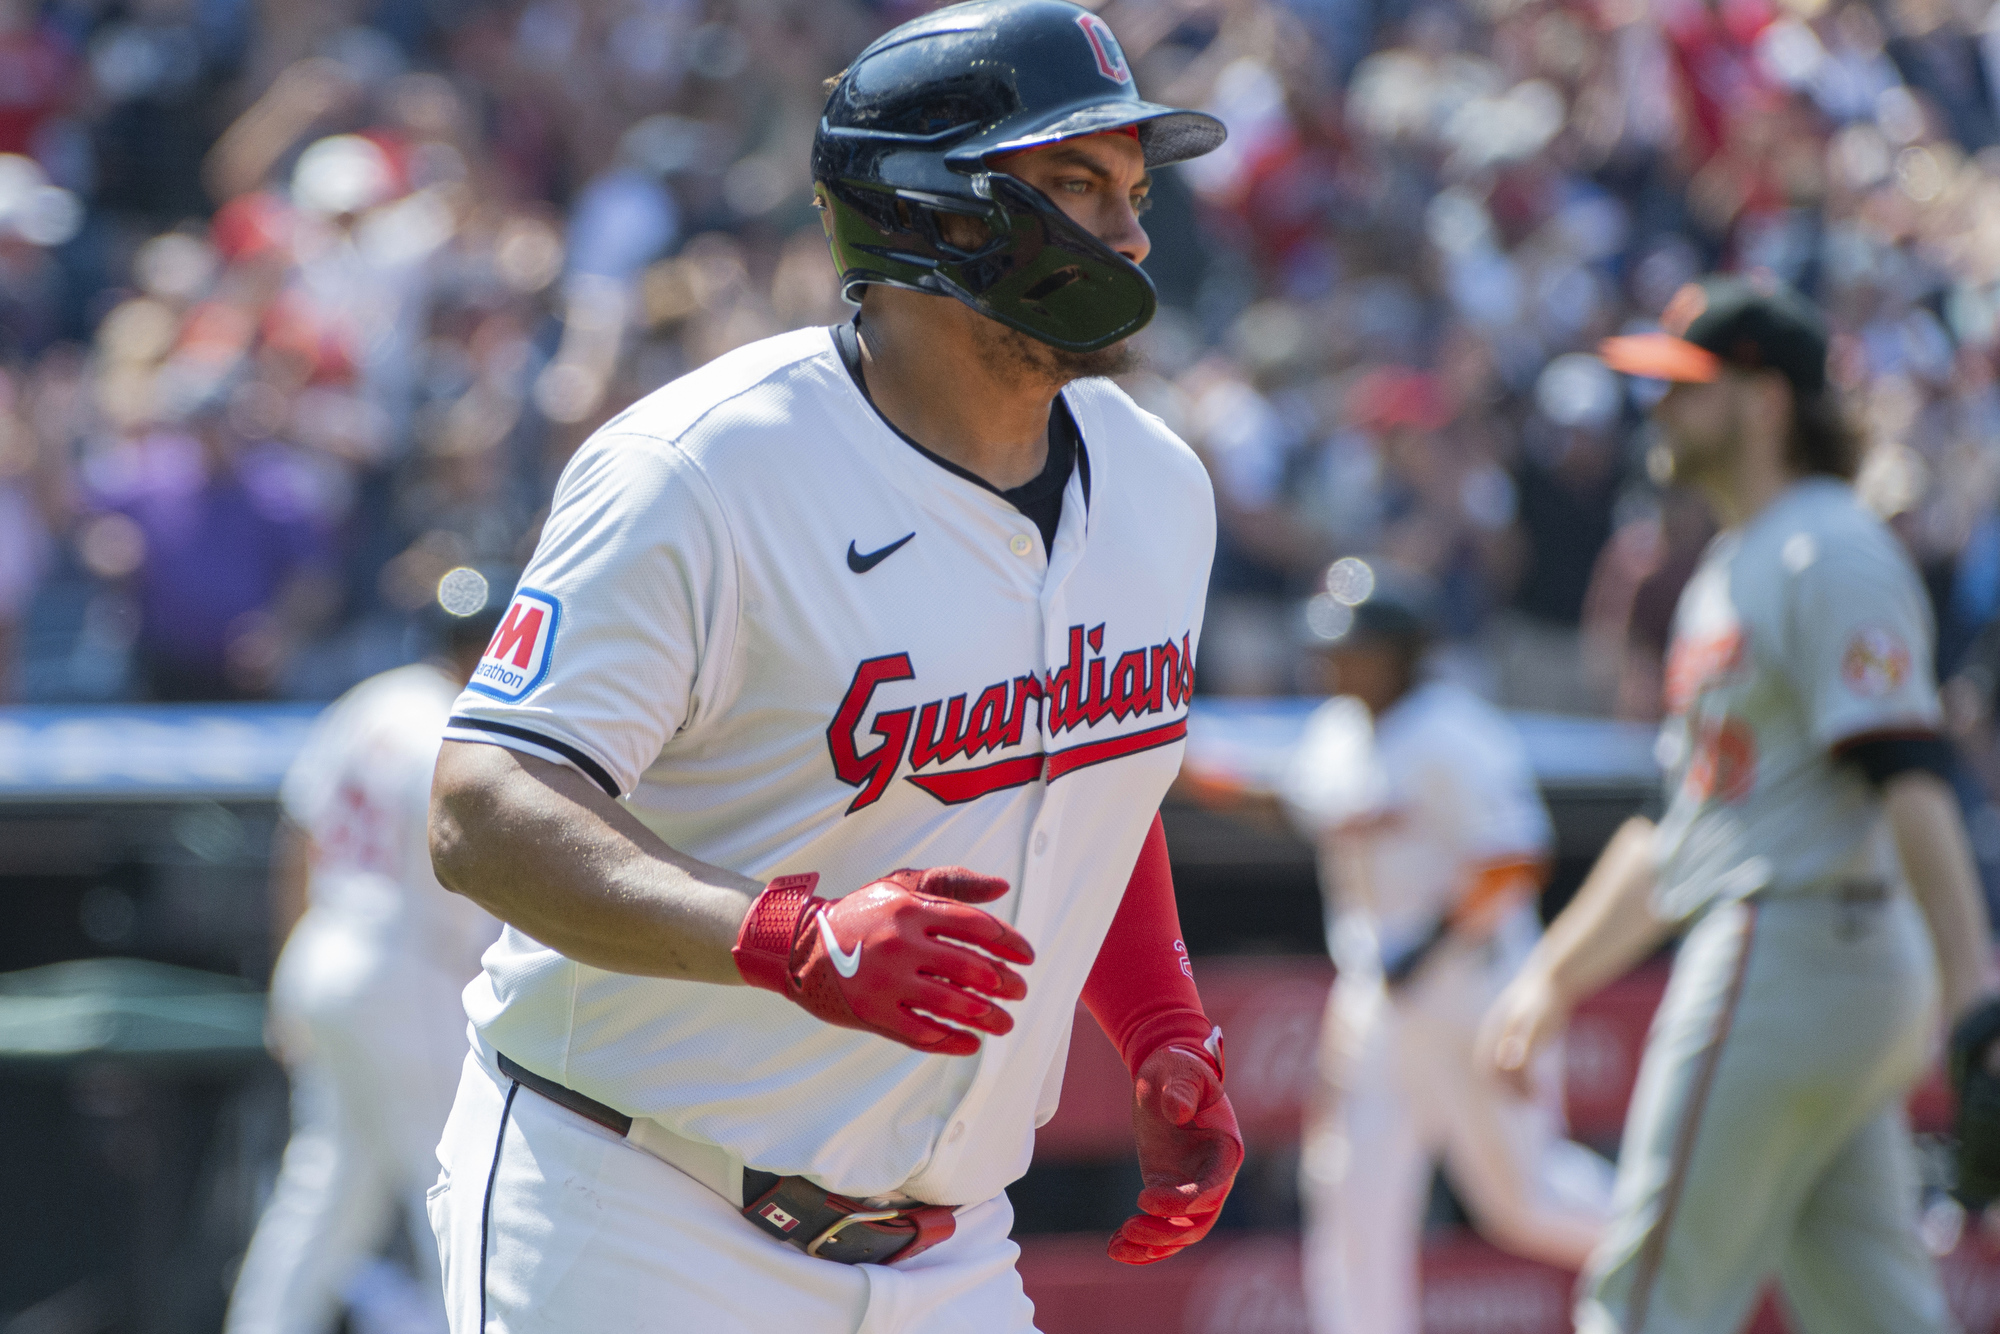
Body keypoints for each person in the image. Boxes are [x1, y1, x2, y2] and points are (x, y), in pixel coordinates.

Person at [422, 4, 1244, 1331]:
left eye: (1135, 191)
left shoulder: (1158, 483)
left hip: (951, 1248)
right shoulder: (704, 469)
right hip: (634, 1200)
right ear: (933, 211)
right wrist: (784, 937)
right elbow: (482, 809)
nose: (1134, 234)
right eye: (1078, 182)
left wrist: (1160, 1025)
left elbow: (1089, 777)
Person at [1478, 275, 2000, 1333]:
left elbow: (1908, 774)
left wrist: (1971, 991)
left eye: (1687, 386)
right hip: (1819, 955)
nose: (1660, 410)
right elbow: (1679, 830)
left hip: (1791, 941)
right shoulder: (1732, 562)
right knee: (1872, 1306)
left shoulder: (1827, 547)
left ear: (1764, 400)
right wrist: (1552, 975)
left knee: (1642, 1299)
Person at [1281, 562, 1613, 1334]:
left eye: (1353, 649)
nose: (1333, 662)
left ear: (1401, 654)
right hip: (1378, 1002)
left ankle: (1686, 1251)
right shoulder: (1333, 733)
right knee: (1348, 1188)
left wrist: (1426, 944)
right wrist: (1174, 767)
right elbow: (1291, 803)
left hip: (1475, 992)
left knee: (1525, 1199)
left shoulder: (1458, 735)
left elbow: (1516, 860)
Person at [225, 568, 507, 1334]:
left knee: (327, 1183)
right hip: (403, 964)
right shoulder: (459, 725)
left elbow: (300, 836)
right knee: (452, 1180)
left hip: (322, 951)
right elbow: (458, 870)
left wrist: (288, 969)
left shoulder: (373, 700)